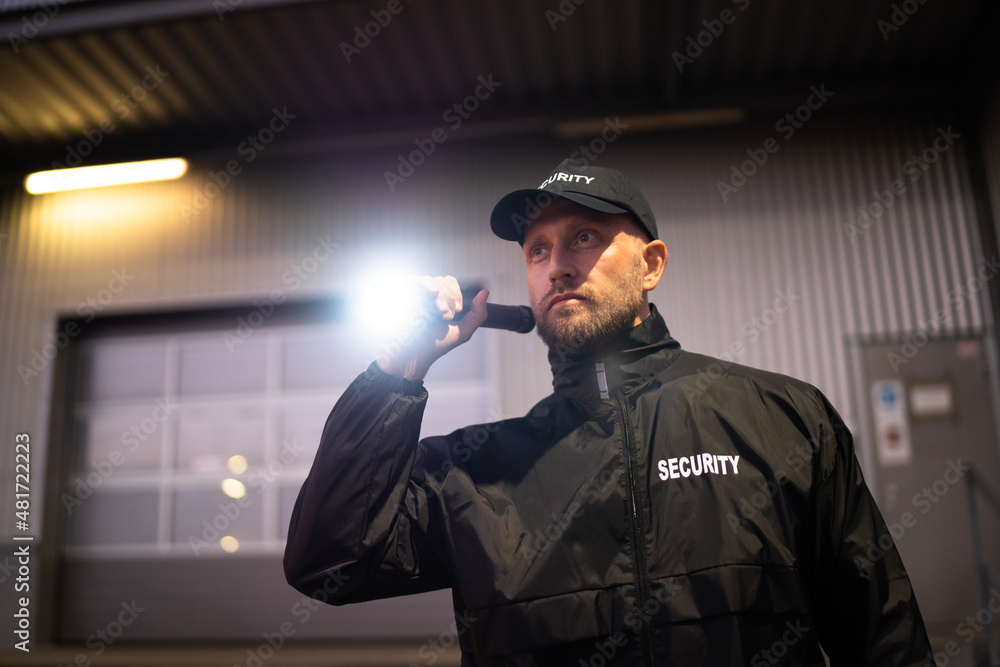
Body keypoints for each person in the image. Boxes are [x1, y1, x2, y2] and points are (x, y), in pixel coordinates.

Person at [283, 159, 932, 665]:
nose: (556, 266)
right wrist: (399, 367)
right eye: (537, 250)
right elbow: (329, 564)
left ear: (651, 265)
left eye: (583, 237)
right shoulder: (476, 471)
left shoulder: (783, 417)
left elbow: (881, 637)